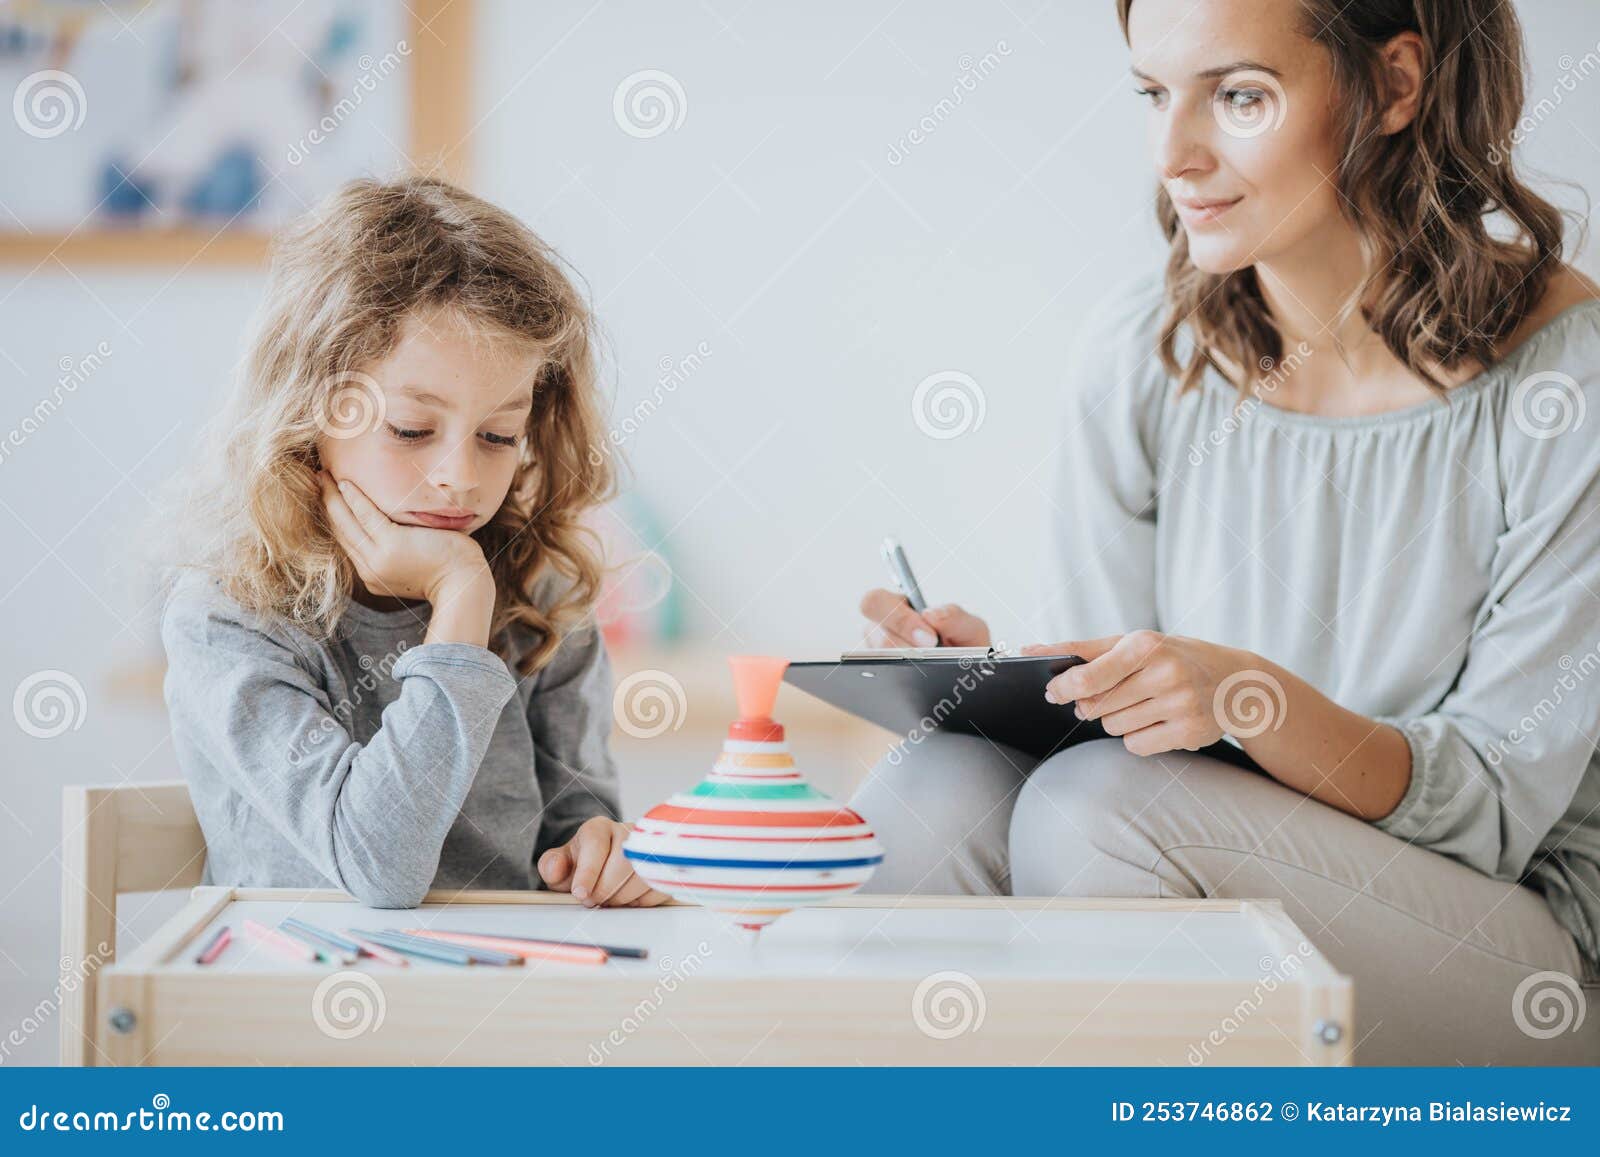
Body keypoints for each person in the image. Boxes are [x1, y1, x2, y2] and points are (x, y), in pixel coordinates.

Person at [854, 0, 1600, 1064]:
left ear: (1394, 86)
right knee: (939, 784)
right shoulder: (1143, 354)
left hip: (1518, 948)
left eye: (1239, 95)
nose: (1173, 154)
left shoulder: (1570, 385)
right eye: (1155, 95)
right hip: (1209, 844)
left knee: (1096, 810)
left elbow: (1482, 813)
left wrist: (1247, 697)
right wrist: (1005, 688)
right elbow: (1108, 716)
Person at [158, 176, 665, 911]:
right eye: (411, 430)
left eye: (498, 436)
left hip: (499, 997)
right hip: (290, 1001)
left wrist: (602, 848)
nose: (459, 477)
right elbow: (379, 864)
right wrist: (459, 602)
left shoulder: (539, 596)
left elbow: (576, 827)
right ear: (308, 409)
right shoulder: (228, 616)